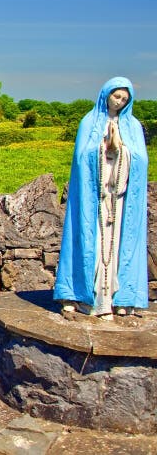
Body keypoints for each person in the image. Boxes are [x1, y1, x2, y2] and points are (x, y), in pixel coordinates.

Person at [54, 77, 149, 320]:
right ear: (106, 94)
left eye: (125, 99)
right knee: (90, 244)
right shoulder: (90, 121)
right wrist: (104, 145)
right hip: (94, 199)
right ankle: (83, 295)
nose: (119, 102)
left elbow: (140, 160)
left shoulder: (133, 126)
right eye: (117, 96)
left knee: (118, 248)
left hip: (120, 200)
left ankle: (121, 298)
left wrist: (121, 148)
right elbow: (81, 157)